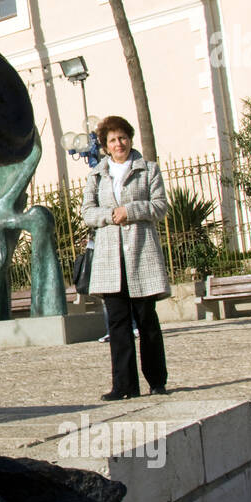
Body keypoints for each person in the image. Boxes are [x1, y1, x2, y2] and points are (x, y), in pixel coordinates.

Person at [81, 116, 170, 400]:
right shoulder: (96, 175)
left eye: (122, 137)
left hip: (141, 252)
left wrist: (130, 211)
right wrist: (109, 215)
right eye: (112, 140)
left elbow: (160, 206)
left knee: (147, 322)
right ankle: (124, 386)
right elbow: (87, 212)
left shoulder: (148, 170)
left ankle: (157, 380)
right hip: (110, 258)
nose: (118, 144)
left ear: (129, 139)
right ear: (105, 146)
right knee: (118, 325)